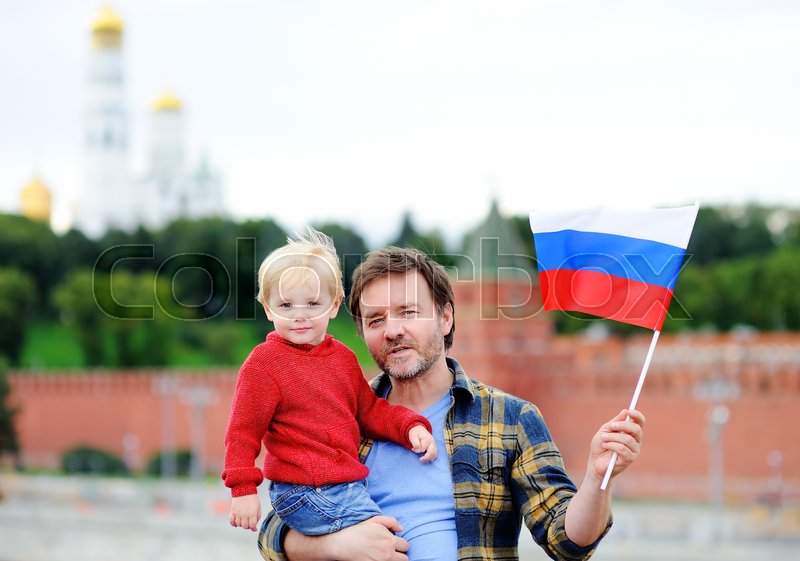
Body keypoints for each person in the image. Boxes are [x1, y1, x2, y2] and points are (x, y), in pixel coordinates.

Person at [258, 246, 645, 561]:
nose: (392, 330)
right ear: (361, 332)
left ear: (445, 318)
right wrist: (336, 547)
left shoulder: (510, 419)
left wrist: (597, 479)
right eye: (376, 320)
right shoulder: (339, 414)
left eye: (409, 312)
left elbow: (568, 543)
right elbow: (273, 533)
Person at [222, 229, 437, 538]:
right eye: (285, 306)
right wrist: (243, 489)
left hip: (346, 486)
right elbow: (242, 433)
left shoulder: (344, 359)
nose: (300, 316)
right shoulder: (264, 363)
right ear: (268, 309)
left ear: (334, 305)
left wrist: (410, 427)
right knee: (385, 538)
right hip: (301, 490)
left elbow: (370, 412)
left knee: (386, 540)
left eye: (312, 303)